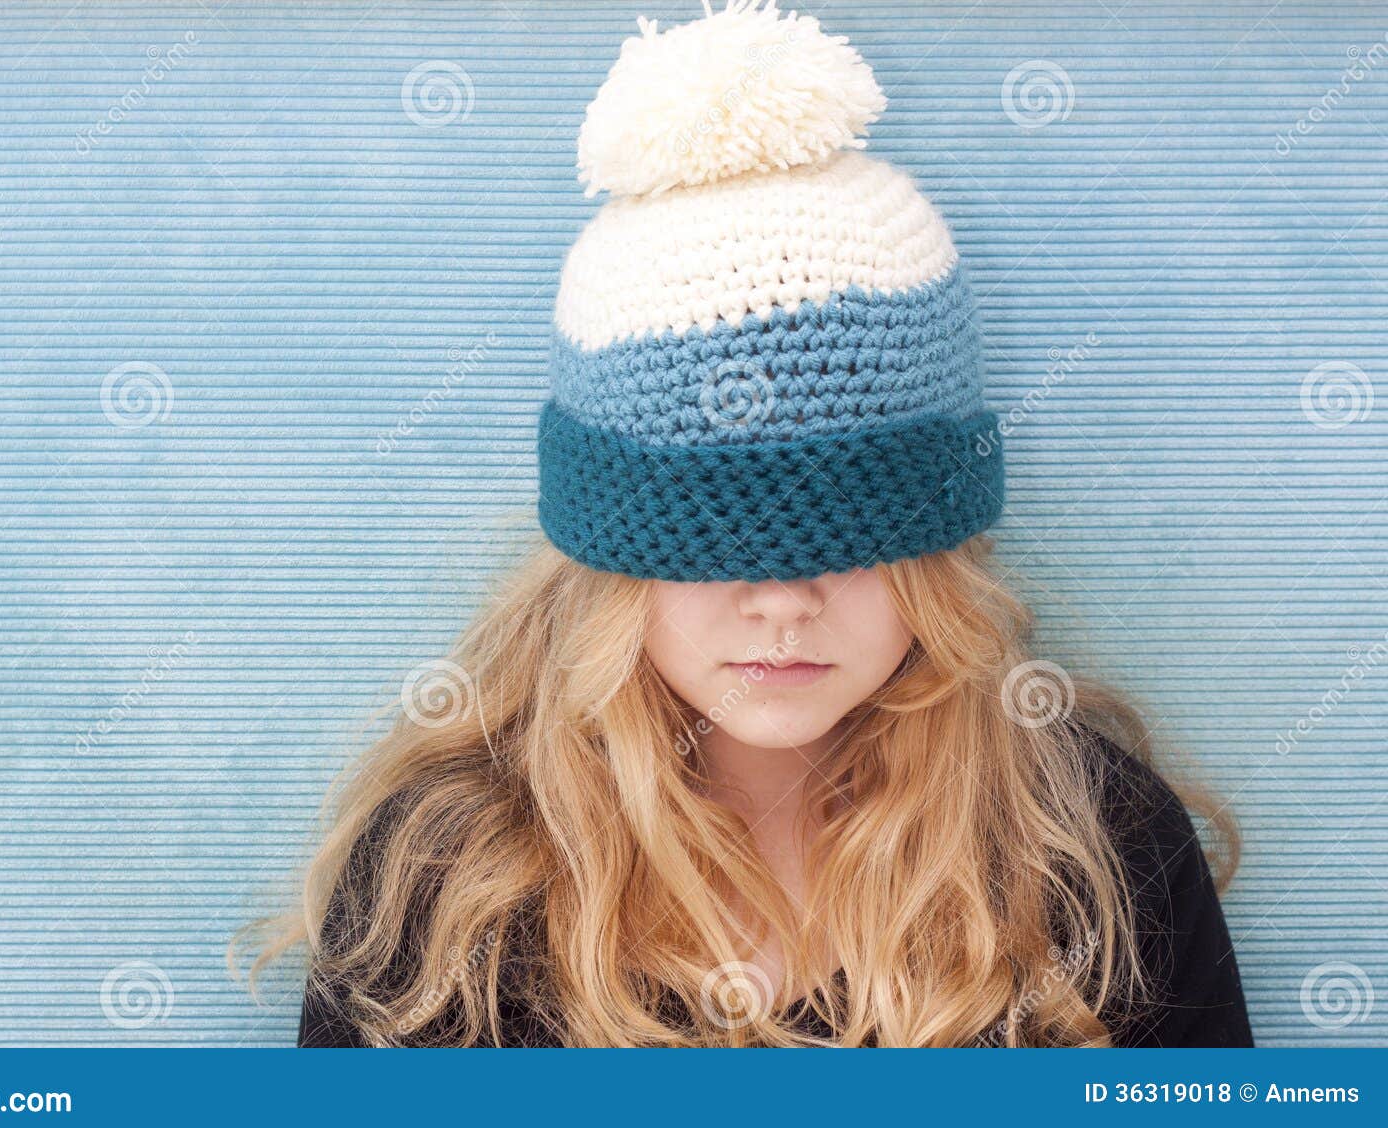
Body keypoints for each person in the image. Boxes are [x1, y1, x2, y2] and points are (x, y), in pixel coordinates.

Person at [232, 0, 1254, 1048]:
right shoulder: (447, 882)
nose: (781, 602)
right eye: (709, 535)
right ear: (609, 559)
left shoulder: (1091, 846)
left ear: (939, 550)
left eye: (852, 534)